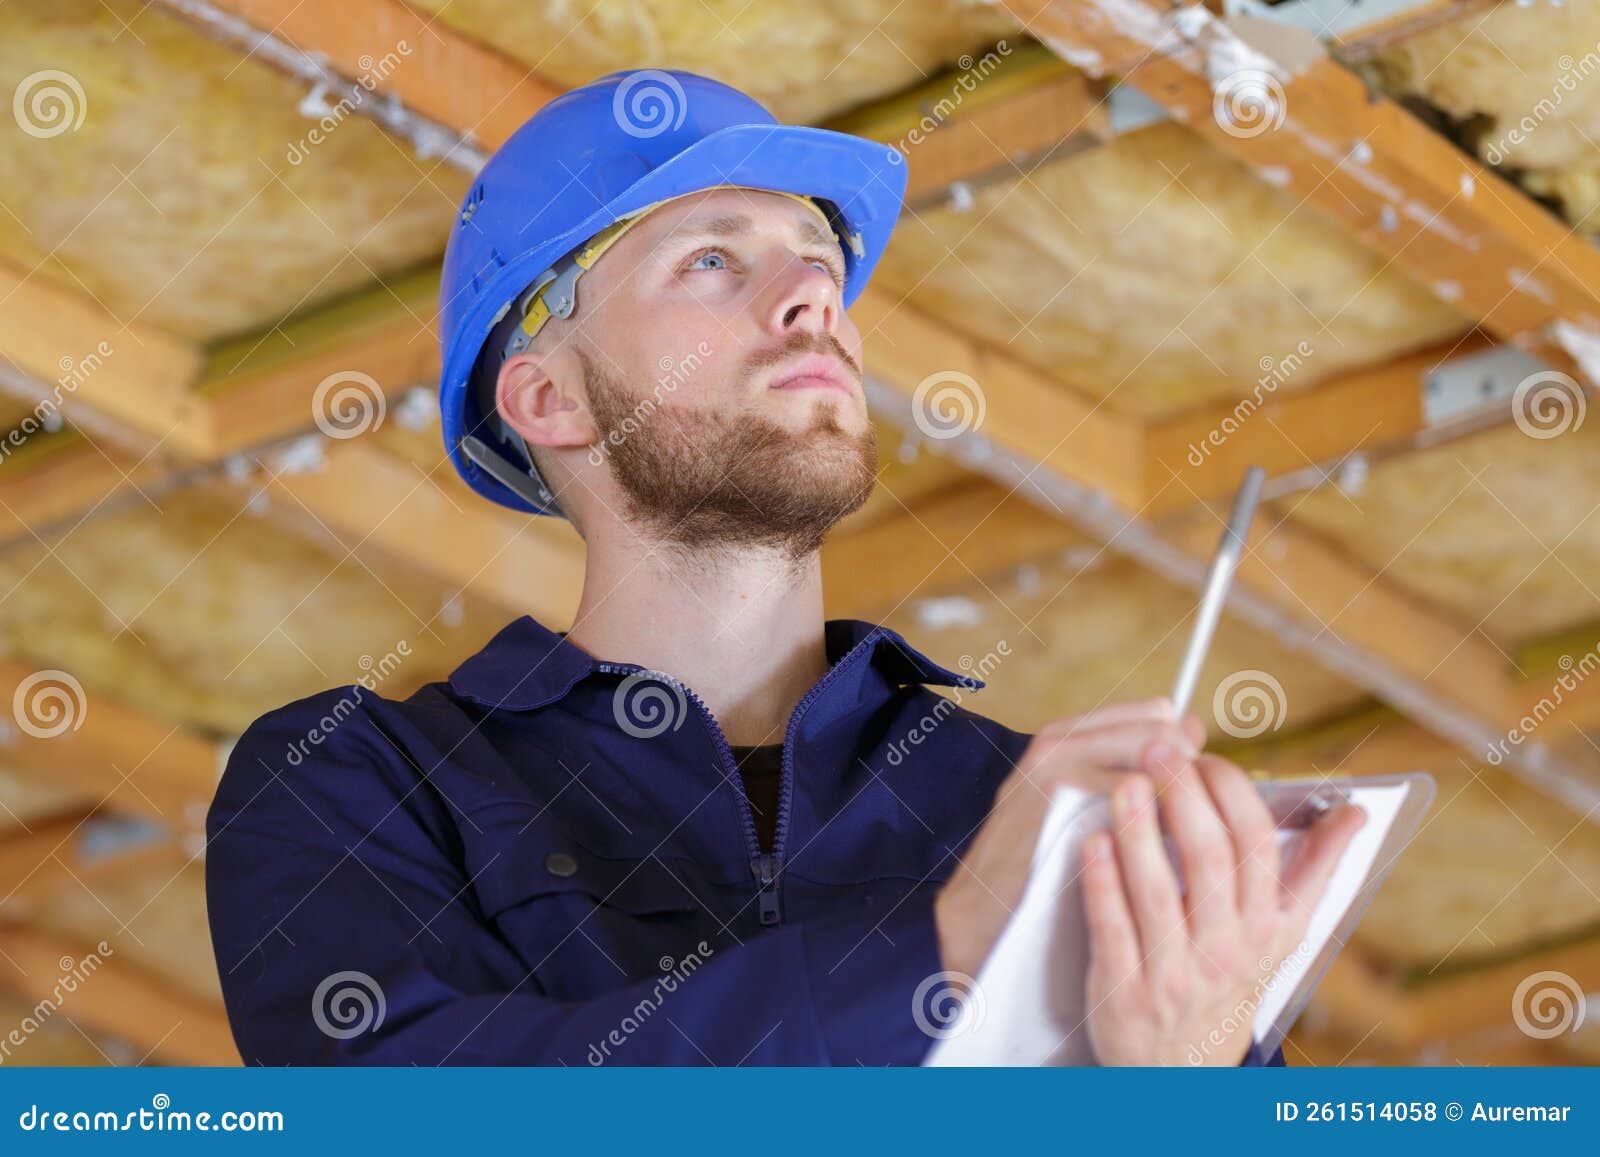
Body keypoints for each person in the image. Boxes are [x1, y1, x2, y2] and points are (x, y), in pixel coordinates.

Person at [206, 68, 1365, 1066]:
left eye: (818, 259)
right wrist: (952, 950)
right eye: (711, 258)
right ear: (548, 397)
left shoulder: (1026, 813)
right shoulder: (360, 787)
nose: (815, 294)